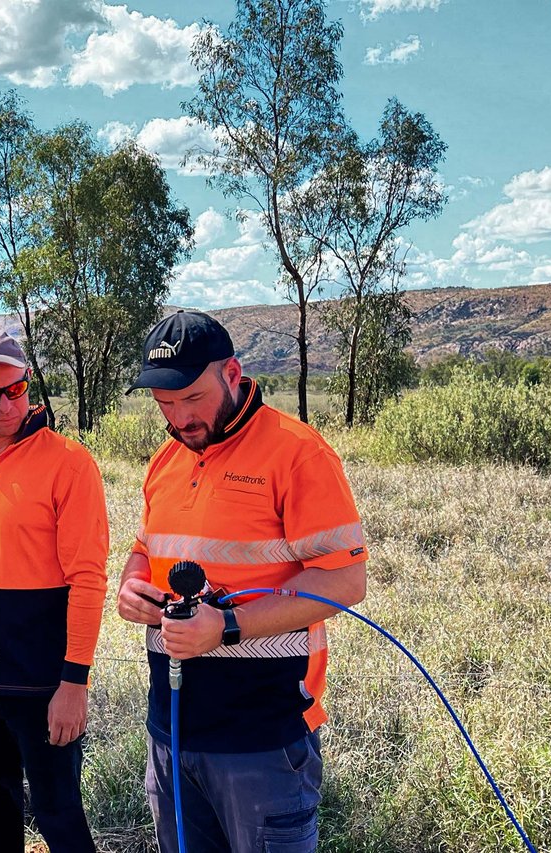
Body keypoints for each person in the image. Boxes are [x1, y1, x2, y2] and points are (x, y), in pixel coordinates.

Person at [116, 310, 368, 853]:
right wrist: (132, 583)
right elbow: (144, 548)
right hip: (172, 728)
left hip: (262, 739)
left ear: (232, 373)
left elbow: (346, 581)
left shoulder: (297, 453)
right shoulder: (166, 460)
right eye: (165, 403)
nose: (180, 417)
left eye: (193, 398)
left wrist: (227, 627)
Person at [0, 327, 109, 853]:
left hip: (44, 684)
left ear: (28, 383)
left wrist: (74, 682)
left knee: (60, 817)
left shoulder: (70, 463)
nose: (6, 405)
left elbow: (88, 577)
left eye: (15, 389)